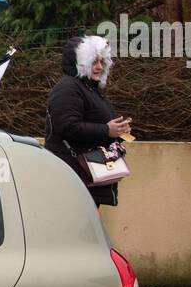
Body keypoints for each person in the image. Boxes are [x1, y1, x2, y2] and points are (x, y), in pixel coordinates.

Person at [45, 35, 131, 208]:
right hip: (73, 174)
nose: (99, 67)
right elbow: (67, 126)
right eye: (94, 62)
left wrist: (119, 132)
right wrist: (106, 131)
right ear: (80, 63)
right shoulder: (68, 88)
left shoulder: (89, 88)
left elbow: (95, 124)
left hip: (85, 174)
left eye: (101, 61)